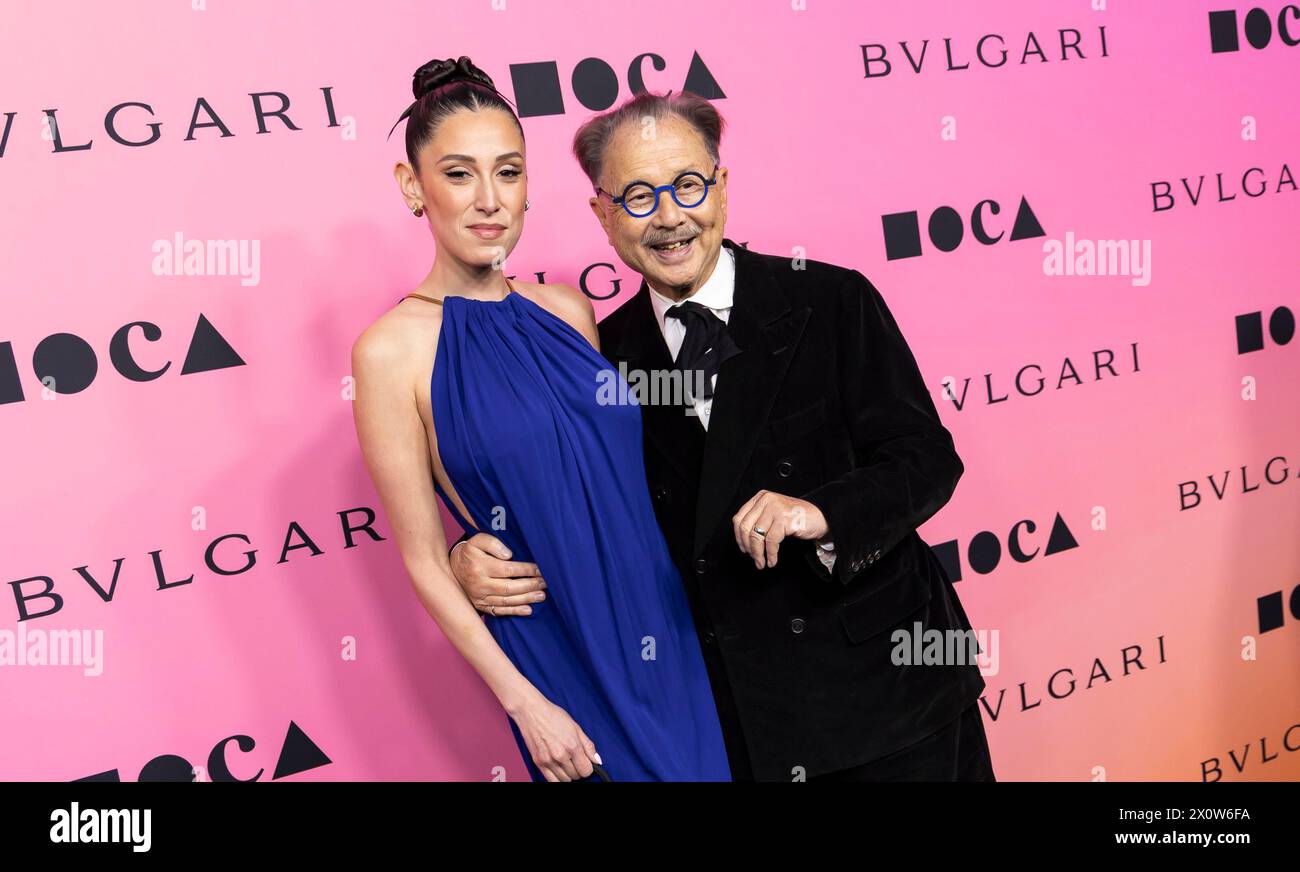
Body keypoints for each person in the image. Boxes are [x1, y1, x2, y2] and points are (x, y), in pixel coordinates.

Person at [450, 90, 996, 782]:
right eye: (639, 197)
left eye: (687, 185)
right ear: (603, 215)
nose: (671, 217)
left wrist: (820, 511)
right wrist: (470, 551)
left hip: (892, 699)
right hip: (740, 722)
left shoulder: (829, 300)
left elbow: (924, 460)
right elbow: (567, 502)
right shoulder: (599, 356)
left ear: (722, 186)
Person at [351, 58, 731, 781]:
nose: (489, 200)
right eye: (459, 174)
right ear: (413, 187)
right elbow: (425, 560)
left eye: (510, 172)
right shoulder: (389, 351)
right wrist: (525, 703)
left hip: (666, 623)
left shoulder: (567, 311)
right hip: (555, 651)